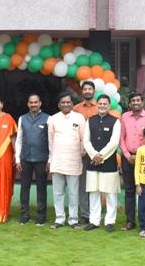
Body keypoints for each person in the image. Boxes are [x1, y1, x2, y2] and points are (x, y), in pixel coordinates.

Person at [82, 94, 121, 232]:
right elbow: (85, 140)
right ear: (97, 105)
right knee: (94, 192)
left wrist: (101, 156)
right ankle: (94, 221)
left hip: (109, 162)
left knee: (110, 193)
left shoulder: (115, 121)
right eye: (100, 103)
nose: (102, 106)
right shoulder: (90, 120)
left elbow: (114, 142)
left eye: (105, 104)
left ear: (109, 106)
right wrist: (94, 155)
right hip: (92, 162)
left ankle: (110, 221)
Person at [119, 91, 145, 231]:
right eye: (133, 101)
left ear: (142, 102)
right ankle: (130, 221)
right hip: (128, 158)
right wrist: (127, 155)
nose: (135, 103)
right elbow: (121, 137)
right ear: (129, 104)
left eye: (138, 100)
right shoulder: (124, 117)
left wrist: (141, 155)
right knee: (129, 190)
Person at [48, 91, 86, 229]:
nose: (65, 104)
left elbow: (83, 138)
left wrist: (81, 153)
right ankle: (59, 219)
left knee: (73, 192)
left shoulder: (79, 118)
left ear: (72, 104)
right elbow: (50, 140)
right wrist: (51, 158)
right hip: (58, 161)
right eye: (63, 102)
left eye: (68, 102)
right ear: (59, 105)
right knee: (58, 192)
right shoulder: (53, 119)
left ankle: (73, 219)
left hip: (74, 160)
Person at [15, 93, 50, 225]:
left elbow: (51, 141)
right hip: (25, 158)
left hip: (42, 158)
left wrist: (50, 160)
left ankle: (41, 216)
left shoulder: (48, 118)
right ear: (28, 104)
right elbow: (19, 140)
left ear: (40, 103)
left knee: (41, 188)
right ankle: (24, 215)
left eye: (36, 102)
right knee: (24, 188)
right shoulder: (22, 118)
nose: (33, 104)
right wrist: (17, 159)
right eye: (31, 102)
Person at [73, 79, 97, 223]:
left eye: (90, 89)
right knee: (82, 184)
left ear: (94, 91)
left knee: (95, 184)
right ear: (81, 92)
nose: (87, 91)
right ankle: (85, 214)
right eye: (85, 89)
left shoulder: (99, 107)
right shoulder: (76, 109)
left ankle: (95, 213)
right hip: (80, 152)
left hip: (96, 153)